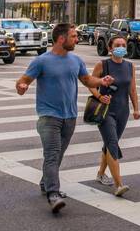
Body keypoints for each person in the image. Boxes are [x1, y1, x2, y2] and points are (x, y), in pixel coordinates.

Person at [15, 22, 112, 213]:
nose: (77, 39)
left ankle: (45, 183)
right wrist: (21, 87)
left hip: (70, 116)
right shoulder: (41, 61)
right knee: (51, 154)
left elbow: (86, 80)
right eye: (74, 36)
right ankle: (53, 193)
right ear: (61, 38)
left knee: (58, 154)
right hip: (48, 116)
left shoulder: (76, 60)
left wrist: (101, 81)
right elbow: (23, 81)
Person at [92, 32, 140, 197]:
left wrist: (136, 109)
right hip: (105, 111)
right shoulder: (102, 65)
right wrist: (99, 95)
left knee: (109, 143)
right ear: (110, 48)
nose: (121, 48)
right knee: (112, 144)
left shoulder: (130, 66)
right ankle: (119, 184)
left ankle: (100, 173)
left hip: (122, 111)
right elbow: (90, 83)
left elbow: (132, 89)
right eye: (117, 46)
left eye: (123, 45)